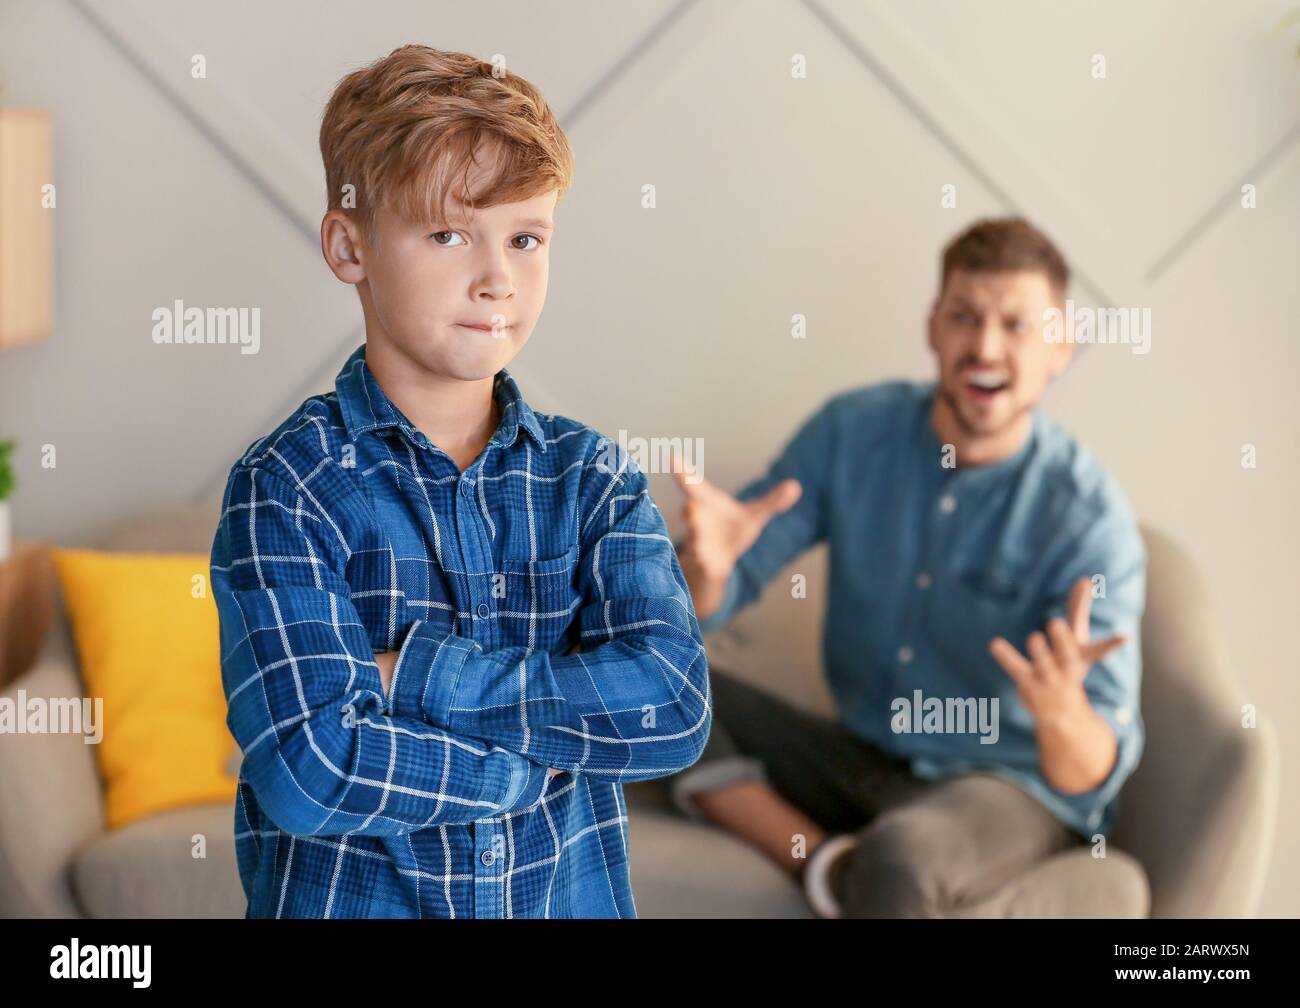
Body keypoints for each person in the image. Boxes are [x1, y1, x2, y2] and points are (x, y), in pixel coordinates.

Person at [209, 45, 709, 919]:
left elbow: (669, 706)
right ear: (348, 244)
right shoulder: (287, 487)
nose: (497, 280)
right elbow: (310, 768)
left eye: (526, 238)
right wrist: (536, 764)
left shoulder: (591, 476)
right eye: (448, 234)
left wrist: (416, 677)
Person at [668, 217, 1148, 918]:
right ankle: (826, 862)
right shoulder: (852, 431)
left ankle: (861, 866)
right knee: (647, 679)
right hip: (862, 749)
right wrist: (704, 569)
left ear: (1060, 348)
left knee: (903, 856)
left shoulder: (1088, 520)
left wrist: (1064, 713)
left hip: (1003, 784)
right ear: (932, 327)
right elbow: (717, 592)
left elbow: (1086, 775)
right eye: (965, 317)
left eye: (1016, 325)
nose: (984, 347)